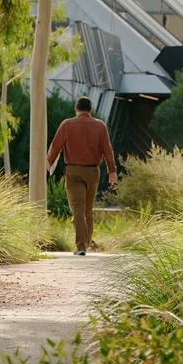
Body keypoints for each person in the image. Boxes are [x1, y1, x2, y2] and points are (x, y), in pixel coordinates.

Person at [46, 96, 118, 255]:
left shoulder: (67, 124)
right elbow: (108, 150)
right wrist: (112, 171)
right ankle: (86, 243)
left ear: (76, 109)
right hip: (93, 172)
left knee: (78, 209)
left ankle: (81, 247)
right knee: (88, 210)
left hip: (74, 171)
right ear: (91, 110)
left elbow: (55, 146)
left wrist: (49, 161)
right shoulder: (100, 126)